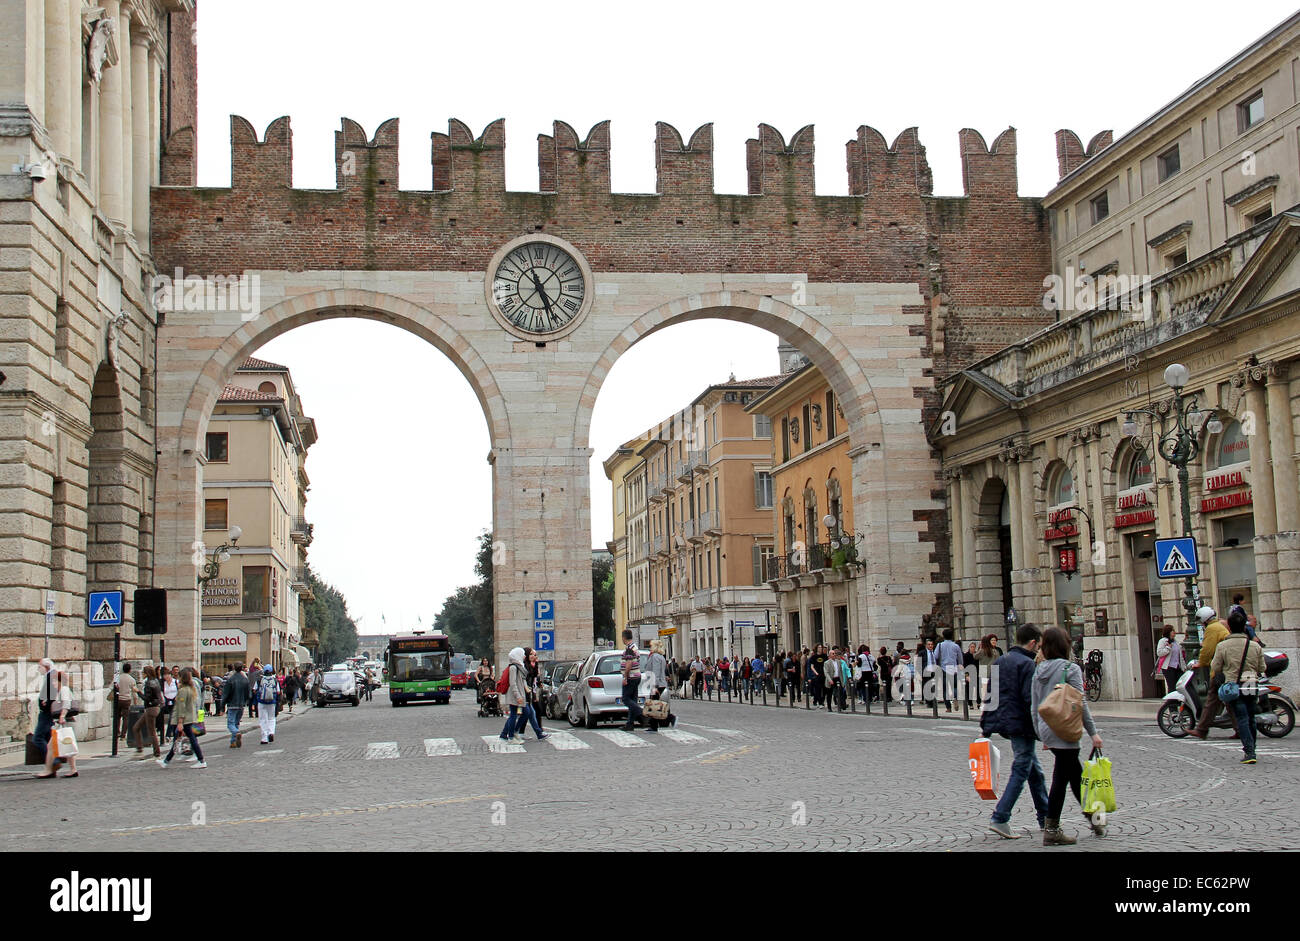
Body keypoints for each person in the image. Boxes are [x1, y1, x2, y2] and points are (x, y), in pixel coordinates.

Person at [1032, 626, 1103, 846]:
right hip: (1066, 728)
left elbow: (1034, 706)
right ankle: (1052, 829)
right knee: (1062, 778)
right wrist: (1093, 733)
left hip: (1047, 728)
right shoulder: (1070, 669)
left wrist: (1041, 734)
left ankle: (1094, 818)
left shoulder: (1038, 670)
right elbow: (1080, 704)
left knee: (1074, 775)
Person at [980, 622, 1049, 840]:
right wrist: (1043, 730)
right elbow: (1031, 700)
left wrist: (987, 726)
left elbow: (991, 695)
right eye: (1038, 645)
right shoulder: (1028, 665)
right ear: (1032, 643)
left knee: (1034, 771)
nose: (1039, 649)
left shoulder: (1002, 660)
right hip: (1022, 724)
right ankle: (1000, 817)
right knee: (1021, 768)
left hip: (1008, 724)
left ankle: (1045, 817)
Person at [1211, 610, 1266, 764]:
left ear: (1230, 627)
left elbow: (1215, 667)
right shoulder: (1254, 646)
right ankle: (1252, 747)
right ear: (1244, 627)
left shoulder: (1223, 646)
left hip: (1234, 684)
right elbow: (1262, 667)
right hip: (1251, 683)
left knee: (1241, 717)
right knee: (1250, 717)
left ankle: (1249, 751)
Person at [1189, 606, 1232, 740]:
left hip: (1219, 670)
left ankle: (1201, 730)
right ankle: (1239, 728)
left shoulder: (1212, 629)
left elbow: (1207, 650)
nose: (1202, 625)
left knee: (1212, 701)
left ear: (1204, 620)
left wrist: (1201, 663)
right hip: (1227, 669)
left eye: (1201, 622)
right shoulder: (1219, 626)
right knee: (1229, 702)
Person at [157, 667, 206, 769]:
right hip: (187, 718)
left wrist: (180, 722)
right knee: (179, 739)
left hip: (184, 720)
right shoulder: (190, 689)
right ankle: (166, 760)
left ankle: (201, 760)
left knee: (189, 739)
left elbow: (182, 707)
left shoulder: (183, 690)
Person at [35, 669, 80, 779]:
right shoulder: (61, 690)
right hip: (65, 723)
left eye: (55, 681)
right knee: (68, 746)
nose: (53, 683)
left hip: (64, 722)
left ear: (60, 681)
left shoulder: (64, 689)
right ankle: (73, 769)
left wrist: (62, 716)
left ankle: (48, 770)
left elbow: (66, 704)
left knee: (52, 747)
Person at [499, 647, 529, 742]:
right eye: (522, 654)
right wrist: (518, 696)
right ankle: (511, 737)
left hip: (519, 694)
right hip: (515, 696)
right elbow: (513, 683)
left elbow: (521, 680)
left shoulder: (520, 666)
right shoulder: (513, 667)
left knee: (524, 713)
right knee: (514, 715)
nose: (524, 656)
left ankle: (514, 732)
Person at [132, 665, 163, 758]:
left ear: (146, 673)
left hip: (151, 708)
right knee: (136, 728)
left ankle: (156, 752)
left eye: (143, 672)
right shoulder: (156, 681)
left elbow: (146, 698)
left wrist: (138, 691)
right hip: (155, 707)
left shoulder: (149, 684)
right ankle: (139, 749)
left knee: (151, 732)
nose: (142, 674)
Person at [620, 629, 644, 732]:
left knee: (626, 699)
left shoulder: (629, 649)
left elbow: (629, 664)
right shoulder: (635, 647)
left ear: (624, 638)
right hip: (637, 676)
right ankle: (630, 724)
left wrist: (625, 677)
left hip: (631, 677)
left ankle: (641, 712)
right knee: (633, 700)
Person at [32, 657, 57, 757]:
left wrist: (47, 702)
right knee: (48, 738)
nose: (38, 670)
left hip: (47, 713)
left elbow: (54, 692)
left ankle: (53, 761)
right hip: (48, 712)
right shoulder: (50, 675)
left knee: (38, 738)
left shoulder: (52, 676)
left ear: (46, 667)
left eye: (39, 667)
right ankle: (51, 764)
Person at [644, 639, 670, 732]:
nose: (650, 647)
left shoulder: (655, 656)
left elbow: (655, 671)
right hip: (661, 683)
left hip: (657, 684)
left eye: (651, 645)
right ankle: (653, 725)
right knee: (656, 704)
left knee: (654, 704)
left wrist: (654, 686)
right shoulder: (661, 656)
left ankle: (670, 718)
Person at [223, 662, 249, 748]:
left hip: (232, 704)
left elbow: (226, 693)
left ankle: (236, 733)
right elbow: (247, 693)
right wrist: (246, 701)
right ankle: (233, 741)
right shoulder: (245, 679)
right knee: (236, 722)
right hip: (241, 704)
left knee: (230, 723)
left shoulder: (231, 680)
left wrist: (222, 704)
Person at [523, 648, 548, 738]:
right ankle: (539, 732)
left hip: (531, 692)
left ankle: (538, 732)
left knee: (532, 712)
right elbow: (529, 676)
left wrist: (536, 664)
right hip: (526, 693)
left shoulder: (532, 665)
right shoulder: (525, 666)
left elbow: (535, 676)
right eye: (531, 654)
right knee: (529, 713)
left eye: (535, 654)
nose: (534, 656)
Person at [936, 629, 963, 711]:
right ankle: (955, 697)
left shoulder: (940, 645)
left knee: (945, 688)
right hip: (953, 668)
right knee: (954, 686)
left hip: (944, 668)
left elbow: (936, 656)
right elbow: (960, 658)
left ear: (943, 636)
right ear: (952, 636)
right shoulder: (956, 646)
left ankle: (948, 707)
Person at [1154, 625, 1185, 696]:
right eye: (1172, 630)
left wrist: (1183, 666)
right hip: (1168, 668)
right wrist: (1168, 648)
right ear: (1168, 632)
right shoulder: (1163, 641)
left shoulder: (1175, 642)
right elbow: (1159, 653)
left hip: (1177, 667)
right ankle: (1172, 705)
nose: (1174, 632)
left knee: (1180, 685)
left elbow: (1180, 656)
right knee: (1172, 686)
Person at [112, 662, 138, 743]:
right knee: (126, 718)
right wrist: (135, 702)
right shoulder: (131, 679)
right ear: (130, 670)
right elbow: (134, 692)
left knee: (117, 717)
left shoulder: (118, 678)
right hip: (126, 700)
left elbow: (112, 687)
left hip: (118, 699)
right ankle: (123, 735)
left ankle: (117, 732)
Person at [254, 664, 281, 745]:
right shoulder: (275, 680)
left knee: (263, 719)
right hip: (272, 702)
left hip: (261, 702)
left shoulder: (259, 680)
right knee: (271, 718)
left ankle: (264, 738)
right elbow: (278, 691)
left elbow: (255, 689)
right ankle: (271, 732)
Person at [975, 635, 1001, 705]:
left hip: (983, 669)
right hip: (994, 670)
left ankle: (985, 704)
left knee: (984, 689)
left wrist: (979, 648)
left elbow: (975, 656)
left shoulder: (982, 650)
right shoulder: (995, 651)